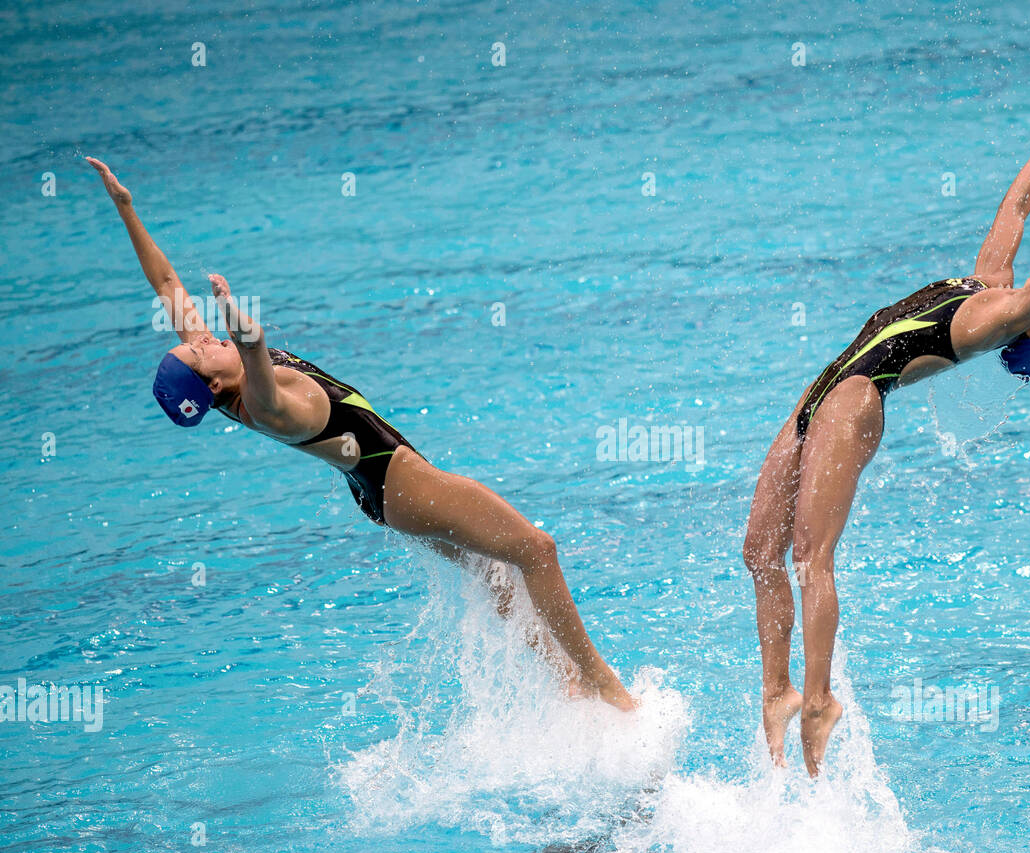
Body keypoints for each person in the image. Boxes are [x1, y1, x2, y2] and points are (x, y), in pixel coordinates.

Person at [741, 82, 1030, 774]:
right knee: (760, 550)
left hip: (855, 398)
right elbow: (1017, 204)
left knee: (812, 555)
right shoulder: (990, 281)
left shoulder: (1001, 315)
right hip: (819, 392)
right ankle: (777, 688)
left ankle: (819, 700)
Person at [87, 157, 635, 712]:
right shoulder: (257, 401)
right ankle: (598, 680)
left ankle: (560, 675)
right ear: (209, 381)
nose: (203, 338)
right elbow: (253, 350)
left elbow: (166, 285)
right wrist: (238, 324)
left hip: (382, 491)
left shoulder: (220, 380)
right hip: (401, 486)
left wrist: (125, 207)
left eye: (202, 337)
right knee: (537, 551)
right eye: (200, 348)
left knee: (493, 579)